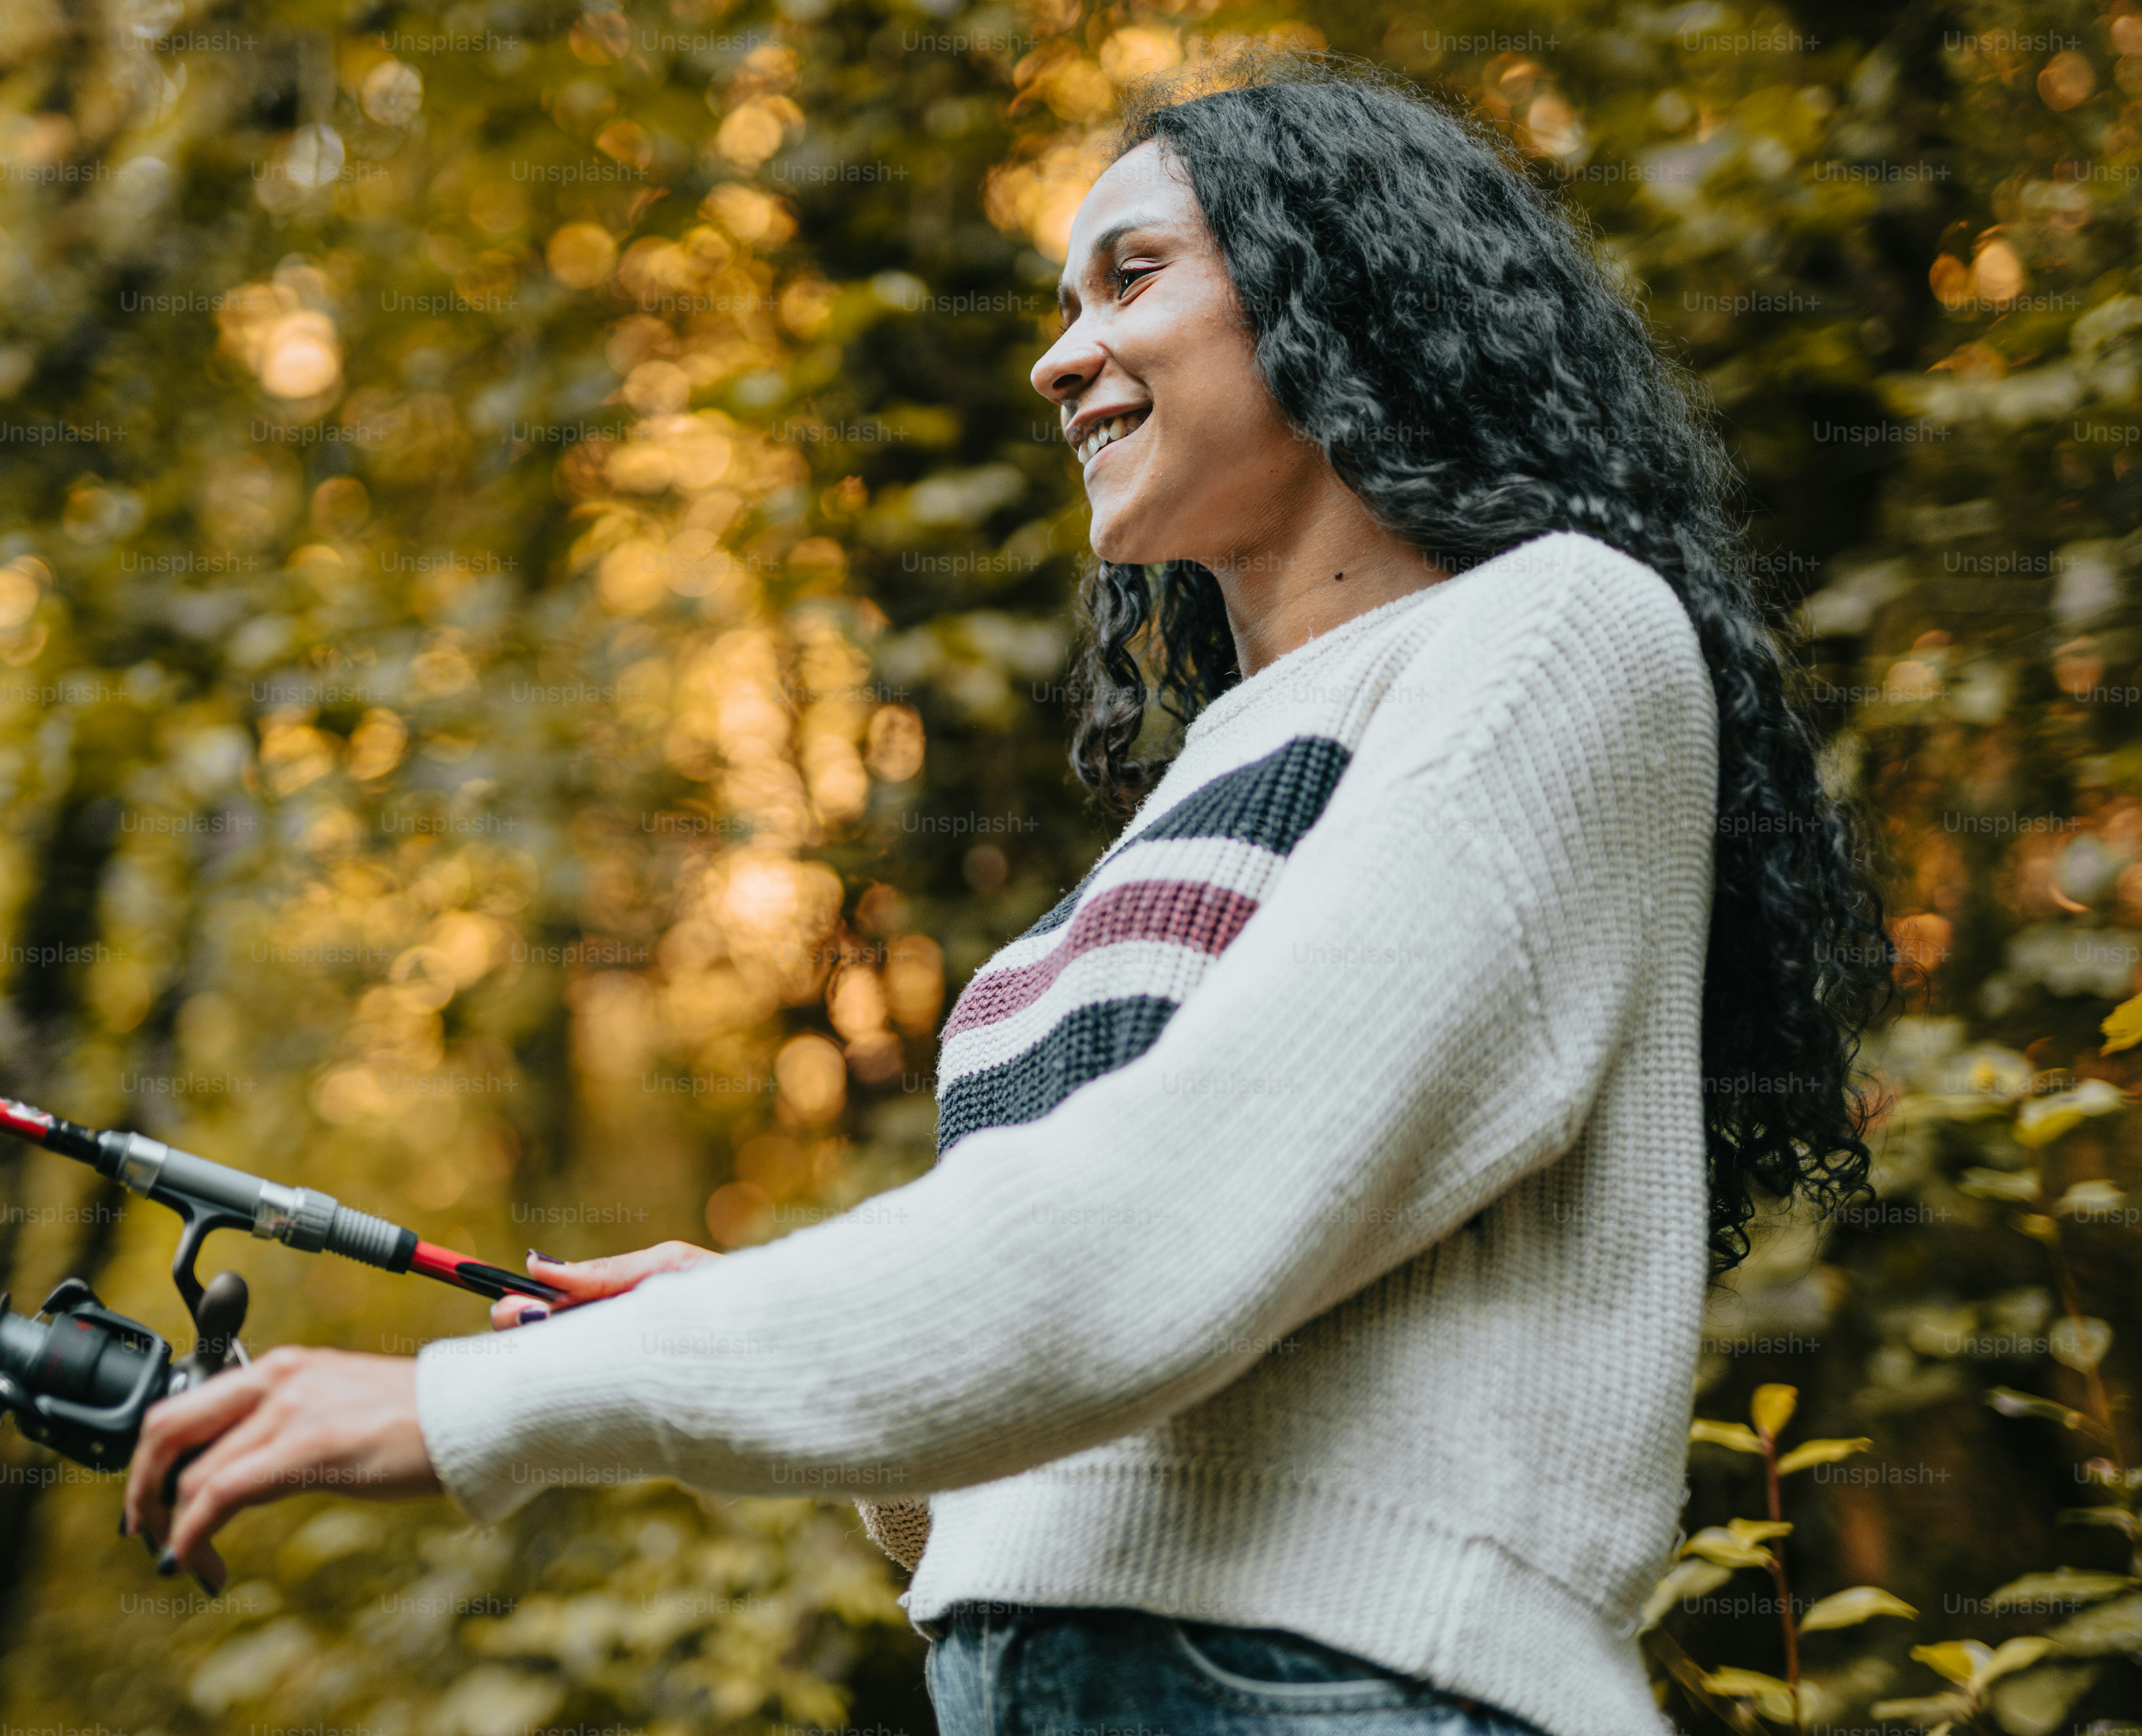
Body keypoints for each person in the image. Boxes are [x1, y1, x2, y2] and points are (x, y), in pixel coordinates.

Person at [123, 52, 1893, 1736]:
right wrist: (728, 1328)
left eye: (1131, 277)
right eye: (1060, 303)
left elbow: (1168, 1222)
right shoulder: (1203, 788)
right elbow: (1087, 1393)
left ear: (1343, 295)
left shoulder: (1551, 641)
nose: (1064, 357)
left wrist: (471, 1405)